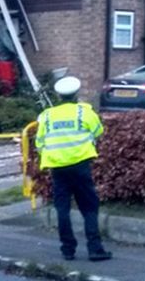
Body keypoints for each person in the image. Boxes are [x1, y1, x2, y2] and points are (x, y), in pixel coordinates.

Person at [35, 75, 112, 262]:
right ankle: (95, 249)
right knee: (89, 206)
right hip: (80, 165)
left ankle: (67, 250)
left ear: (59, 96)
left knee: (62, 209)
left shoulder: (46, 116)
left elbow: (39, 143)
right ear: (76, 95)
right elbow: (99, 132)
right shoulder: (84, 113)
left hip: (57, 168)